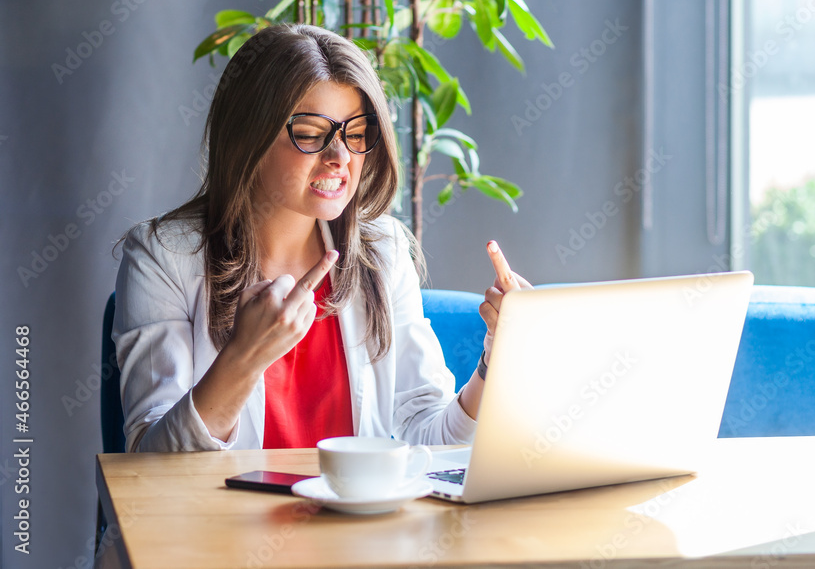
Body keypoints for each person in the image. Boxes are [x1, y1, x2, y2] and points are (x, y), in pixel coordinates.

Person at [113, 23, 530, 452]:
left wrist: (494, 359)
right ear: (247, 139)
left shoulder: (381, 251)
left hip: (355, 520)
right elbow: (151, 465)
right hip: (224, 520)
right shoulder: (163, 256)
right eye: (311, 135)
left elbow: (434, 436)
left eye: (355, 134)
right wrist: (243, 358)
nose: (340, 159)